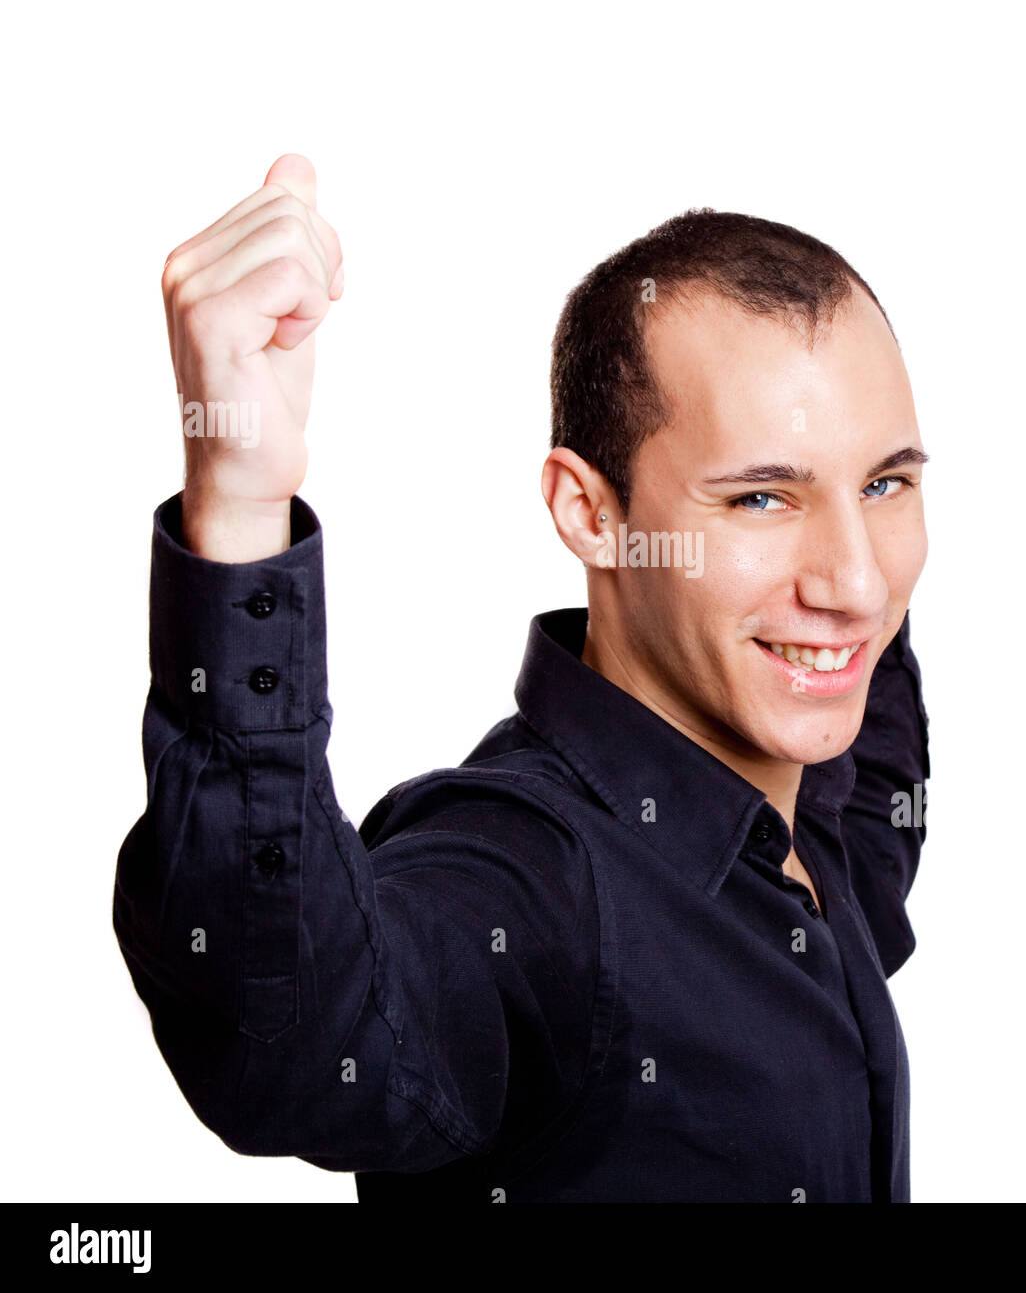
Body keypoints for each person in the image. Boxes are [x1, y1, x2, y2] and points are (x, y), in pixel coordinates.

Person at [114, 152, 931, 1203]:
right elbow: (299, 1042)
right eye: (760, 500)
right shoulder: (526, 882)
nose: (857, 582)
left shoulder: (814, 801)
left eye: (885, 482)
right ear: (592, 515)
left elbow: (876, 790)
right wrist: (236, 505)